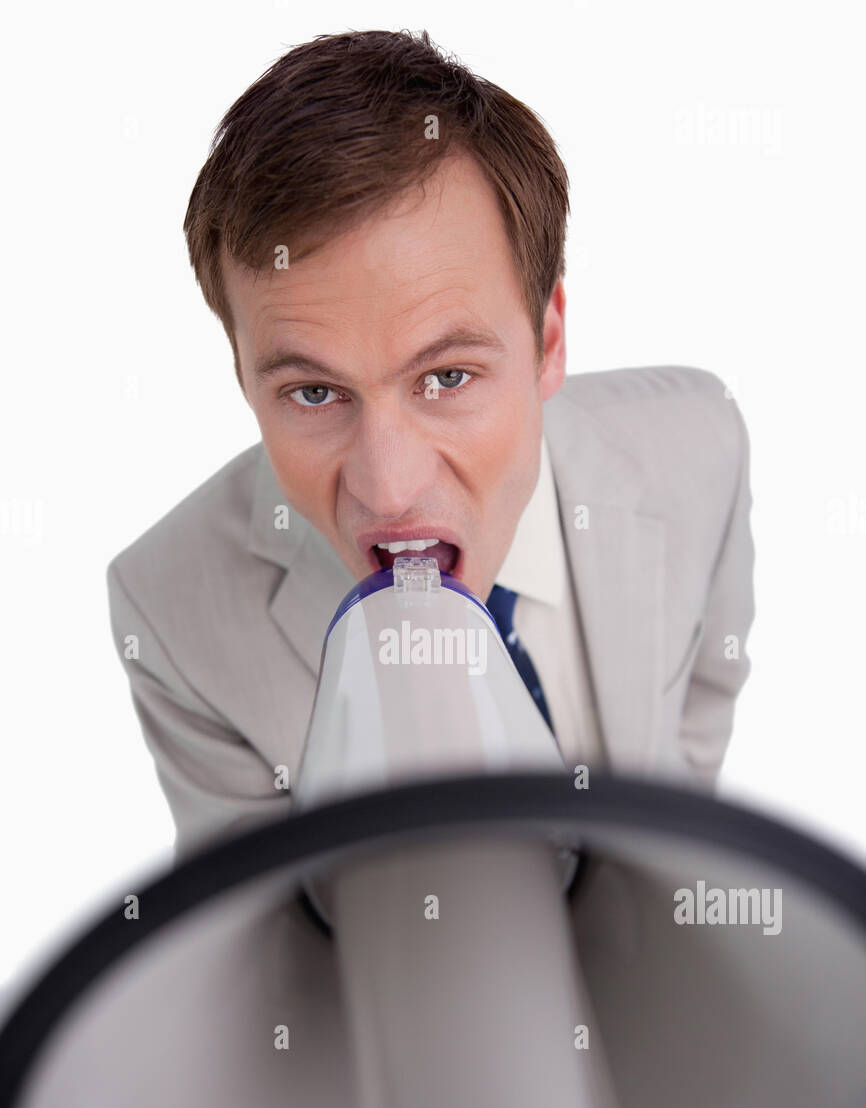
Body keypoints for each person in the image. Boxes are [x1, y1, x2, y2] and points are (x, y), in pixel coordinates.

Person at [106, 28, 755, 861]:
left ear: (548, 340)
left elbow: (704, 701)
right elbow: (273, 951)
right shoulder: (172, 611)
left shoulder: (700, 443)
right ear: (244, 382)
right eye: (313, 392)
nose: (389, 489)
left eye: (446, 377)